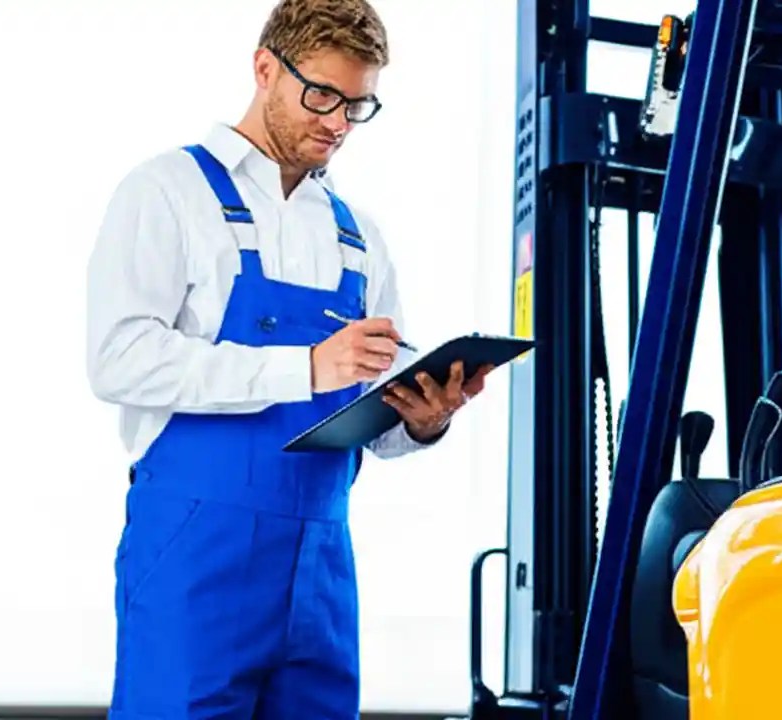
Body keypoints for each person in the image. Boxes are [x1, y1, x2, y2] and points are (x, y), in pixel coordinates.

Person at [84, 1, 490, 717]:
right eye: (323, 96)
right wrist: (302, 368)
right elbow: (119, 359)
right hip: (194, 551)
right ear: (265, 67)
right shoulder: (167, 193)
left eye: (358, 106)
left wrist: (424, 418)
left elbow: (378, 418)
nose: (337, 122)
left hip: (322, 562)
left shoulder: (358, 236)